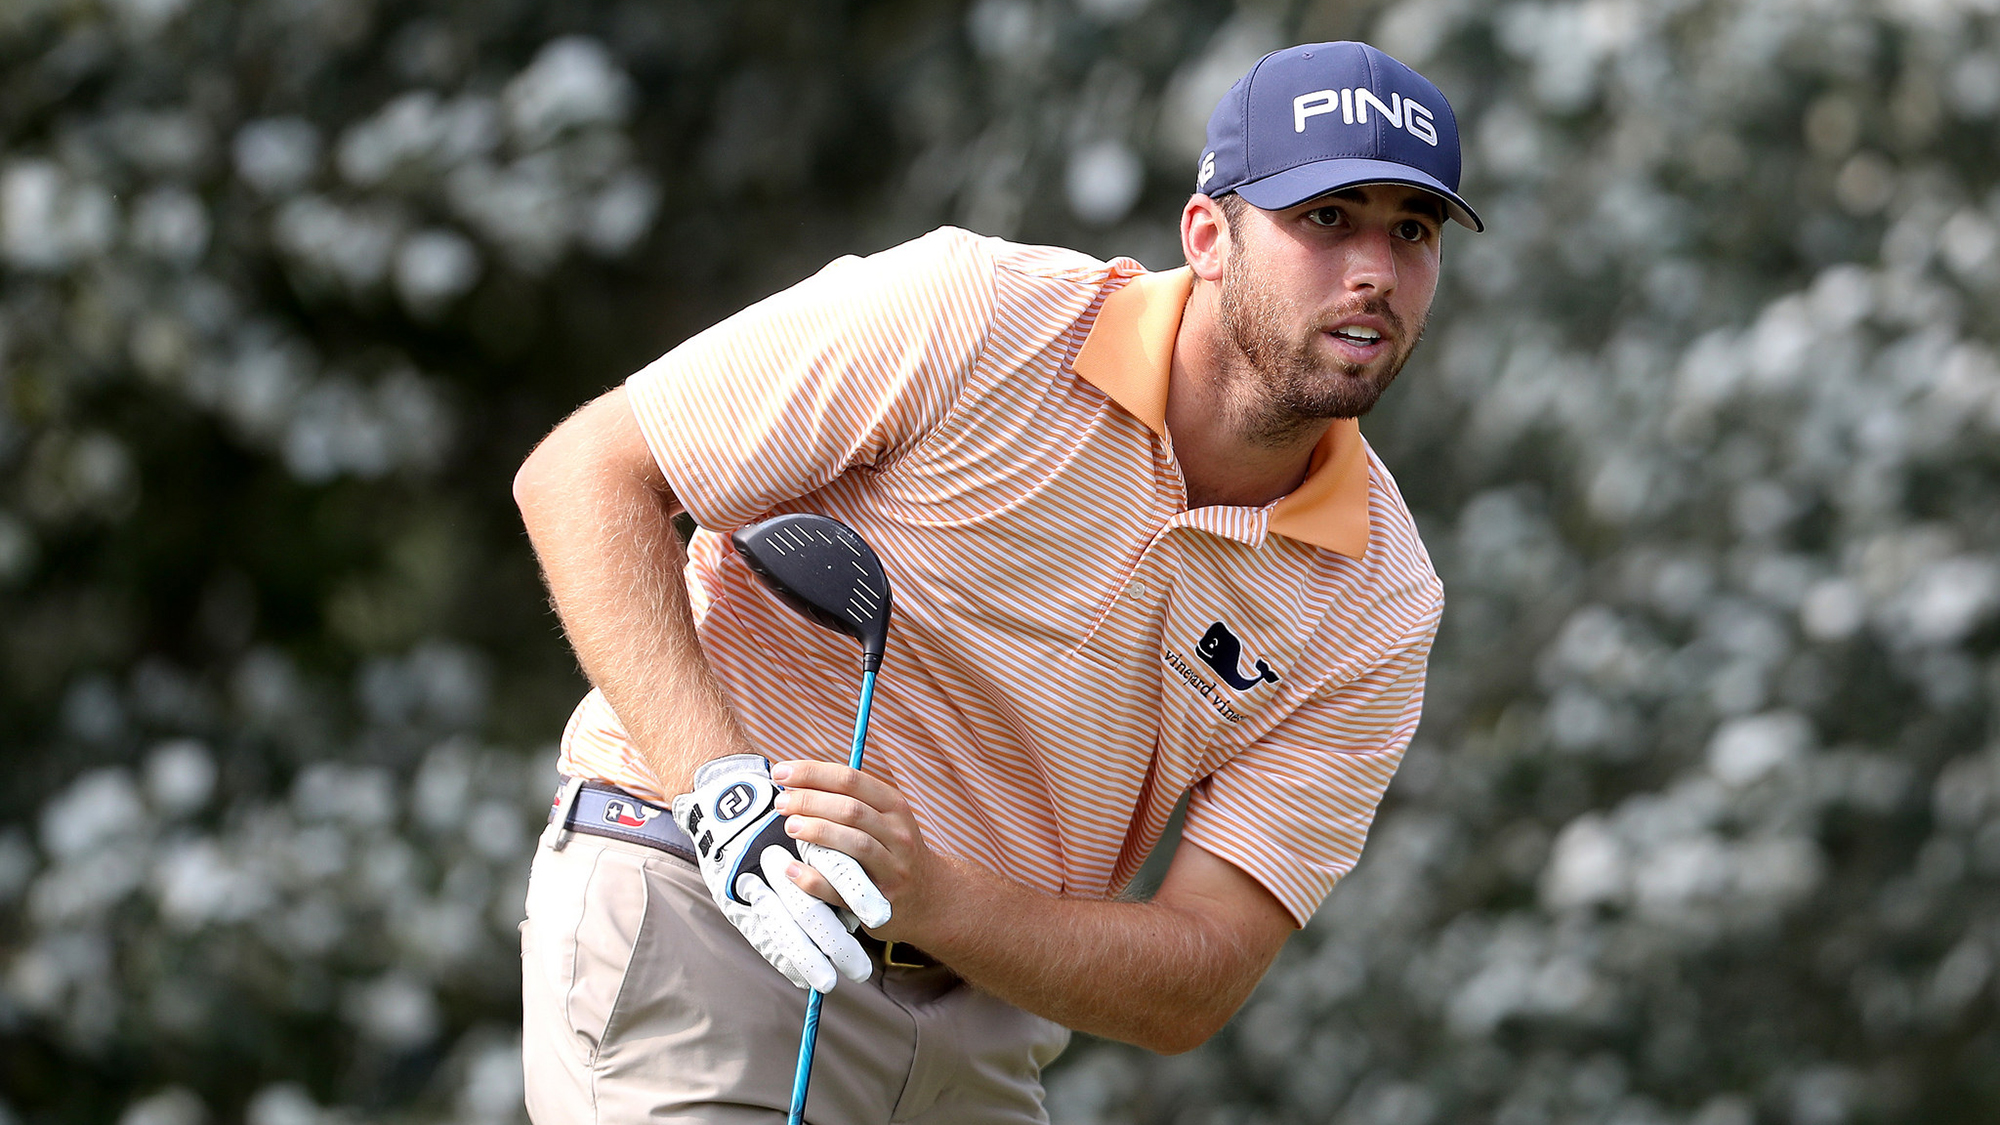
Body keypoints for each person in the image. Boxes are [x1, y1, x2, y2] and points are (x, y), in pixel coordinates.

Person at [512, 39, 1481, 1125]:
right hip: (700, 911)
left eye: (1412, 231)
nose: (1373, 272)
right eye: (1325, 218)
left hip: (978, 1033)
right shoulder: (972, 316)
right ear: (1207, 235)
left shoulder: (1380, 598)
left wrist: (930, 894)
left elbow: (1197, 975)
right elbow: (585, 475)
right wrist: (721, 795)